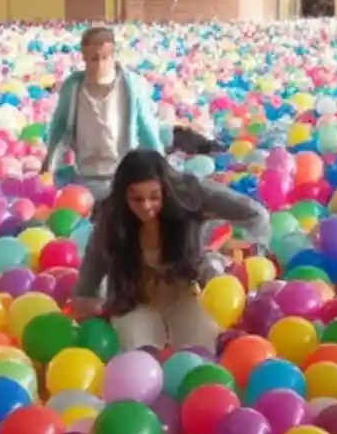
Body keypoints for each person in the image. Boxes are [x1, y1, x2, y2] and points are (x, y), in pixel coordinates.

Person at [73, 149, 270, 352]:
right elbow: (86, 287)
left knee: (201, 353)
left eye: (154, 197)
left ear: (166, 191)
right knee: (139, 357)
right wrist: (95, 309)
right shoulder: (111, 220)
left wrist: (255, 252)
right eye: (136, 199)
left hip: (183, 296)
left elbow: (255, 214)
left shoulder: (188, 194)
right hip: (133, 303)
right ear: (123, 198)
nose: (146, 206)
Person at [43, 26, 166, 204]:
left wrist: (162, 169)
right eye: (93, 59)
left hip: (122, 175)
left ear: (113, 56)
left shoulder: (131, 86)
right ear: (84, 58)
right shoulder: (74, 87)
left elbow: (147, 129)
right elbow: (59, 125)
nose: (100, 64)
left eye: (105, 58)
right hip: (85, 174)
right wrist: (49, 162)